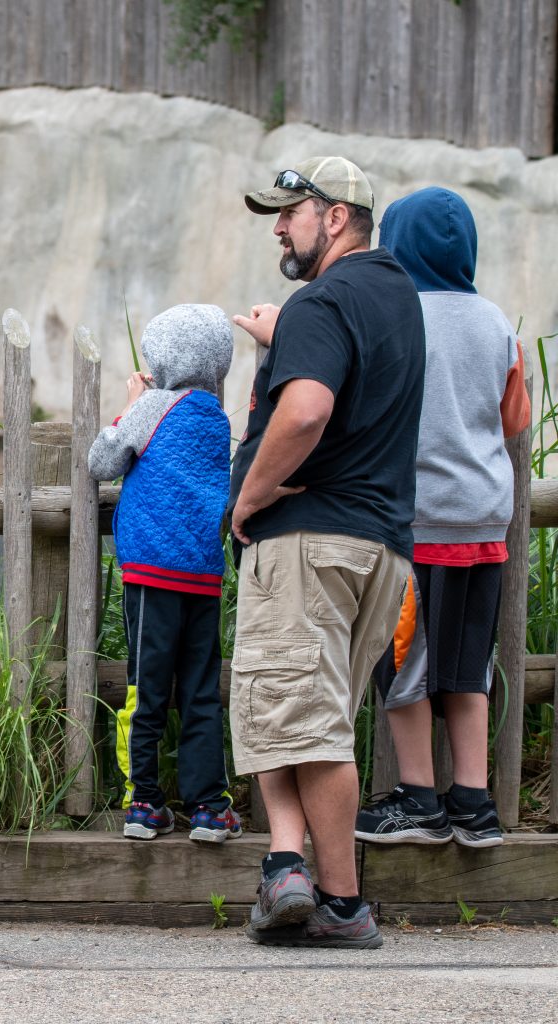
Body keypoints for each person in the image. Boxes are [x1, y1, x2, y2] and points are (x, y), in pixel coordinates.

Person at [229, 156, 424, 949]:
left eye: (290, 212)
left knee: (302, 720)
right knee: (311, 713)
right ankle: (288, 868)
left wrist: (251, 494)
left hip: (310, 542)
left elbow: (307, 411)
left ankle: (341, 903)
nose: (279, 227)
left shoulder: (323, 299)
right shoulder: (396, 298)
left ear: (335, 216)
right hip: (382, 547)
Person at [355, 187, 531, 849]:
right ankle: (474, 805)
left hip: (417, 526)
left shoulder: (395, 316)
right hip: (483, 527)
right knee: (466, 665)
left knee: (401, 661)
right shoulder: (496, 323)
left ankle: (419, 800)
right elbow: (514, 418)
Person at [88, 304, 241, 844]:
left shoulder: (152, 406)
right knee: (200, 691)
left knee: (146, 687)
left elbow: (102, 462)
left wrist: (129, 406)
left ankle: (144, 802)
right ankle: (210, 808)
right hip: (202, 576)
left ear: (164, 361)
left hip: (152, 573)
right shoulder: (217, 418)